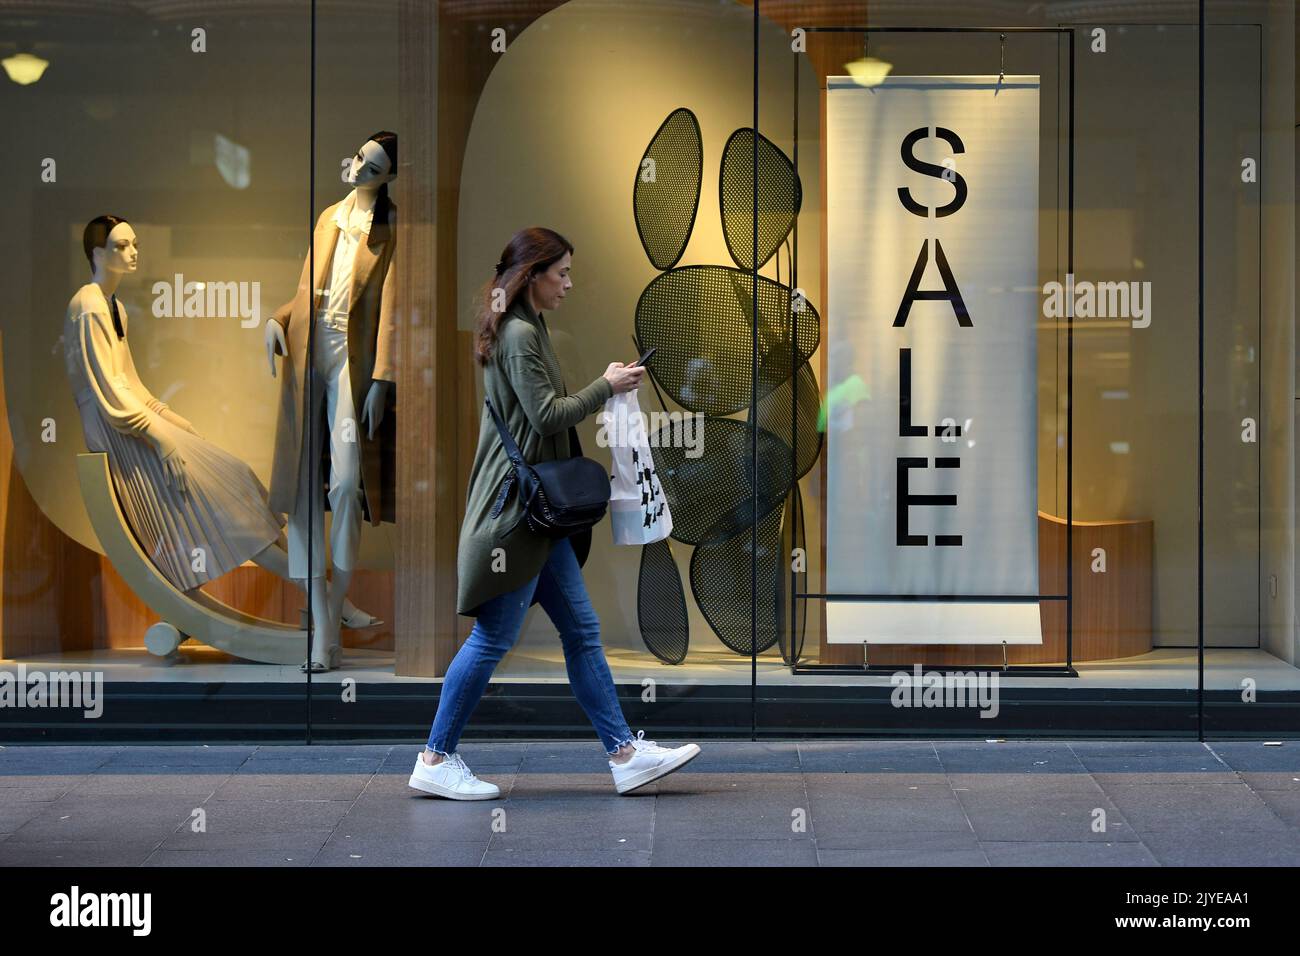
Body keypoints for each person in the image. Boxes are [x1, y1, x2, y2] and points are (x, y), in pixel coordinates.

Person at [409, 227, 701, 799]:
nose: (569, 284)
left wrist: (606, 385)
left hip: (539, 517)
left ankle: (623, 754)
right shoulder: (518, 332)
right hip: (517, 516)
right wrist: (606, 384)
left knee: (583, 633)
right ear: (532, 274)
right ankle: (435, 757)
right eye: (561, 272)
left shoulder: (527, 327)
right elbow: (546, 417)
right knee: (493, 638)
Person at [64, 215, 379, 624]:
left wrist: (171, 420)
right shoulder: (87, 305)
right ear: (97, 253)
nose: (133, 252)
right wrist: (160, 438)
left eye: (134, 243)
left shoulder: (113, 306)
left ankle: (323, 598)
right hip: (119, 433)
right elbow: (109, 393)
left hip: (134, 421)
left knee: (237, 478)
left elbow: (130, 384)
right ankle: (331, 602)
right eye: (122, 246)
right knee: (230, 510)